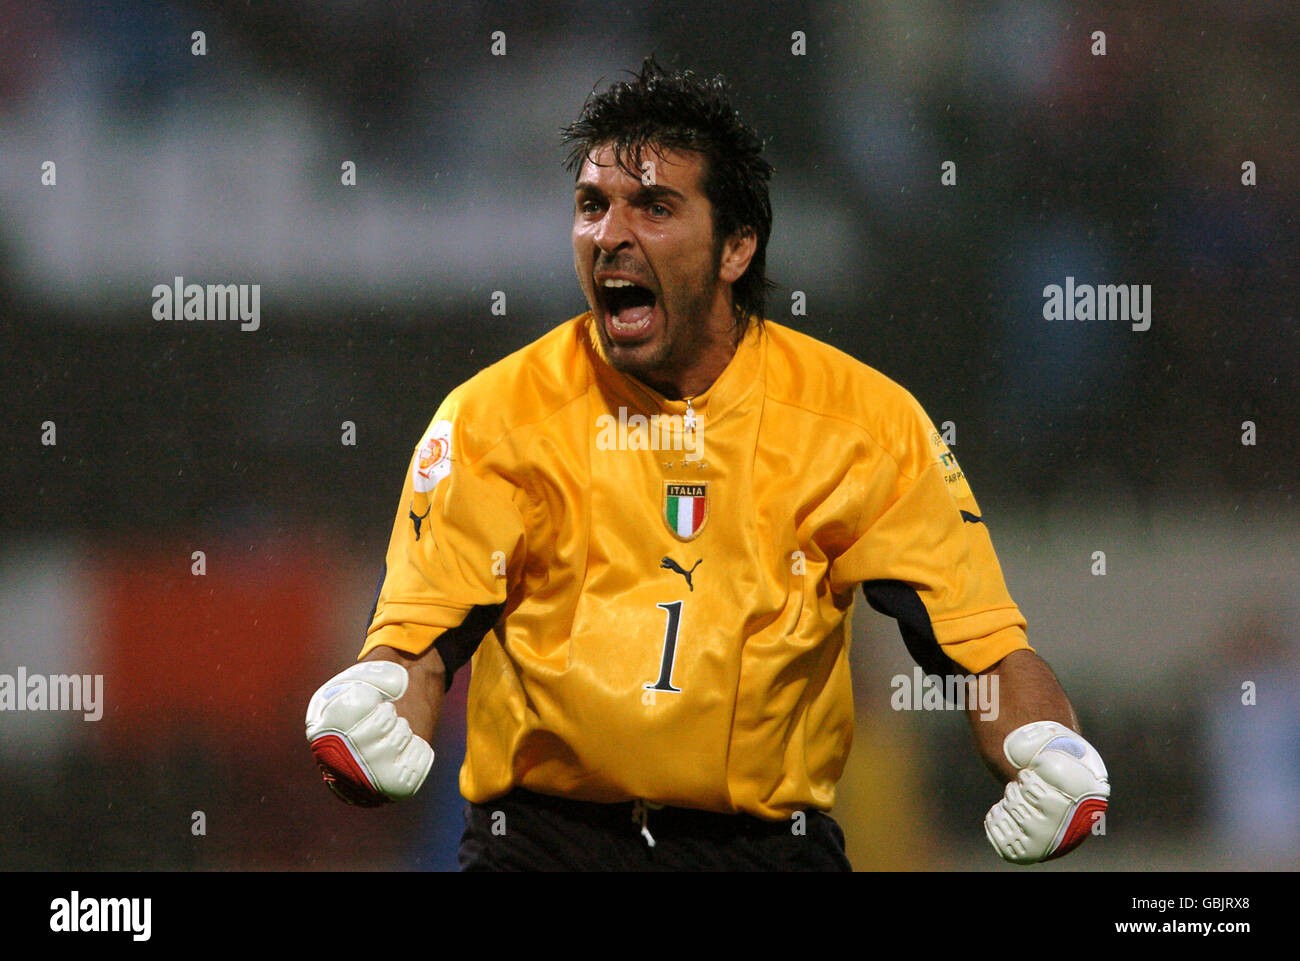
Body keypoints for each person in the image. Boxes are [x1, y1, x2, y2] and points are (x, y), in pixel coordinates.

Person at [305, 58, 1109, 871]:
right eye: (592, 206)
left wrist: (1047, 748)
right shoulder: (489, 419)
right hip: (542, 848)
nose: (610, 235)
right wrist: (372, 711)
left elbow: (983, 651)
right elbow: (419, 646)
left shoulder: (865, 426)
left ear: (735, 247)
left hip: (767, 851)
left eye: (653, 206)